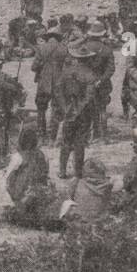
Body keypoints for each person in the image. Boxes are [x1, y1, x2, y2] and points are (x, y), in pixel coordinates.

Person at [55, 43, 98, 179]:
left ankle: (62, 170)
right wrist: (79, 109)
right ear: (88, 59)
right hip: (83, 113)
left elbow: (58, 90)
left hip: (68, 111)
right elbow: (89, 97)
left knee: (66, 141)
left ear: (76, 58)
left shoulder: (66, 72)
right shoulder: (90, 75)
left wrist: (65, 107)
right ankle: (78, 172)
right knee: (80, 142)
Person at [31, 25, 67, 140]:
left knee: (41, 109)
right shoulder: (64, 49)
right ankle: (53, 136)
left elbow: (34, 66)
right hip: (59, 82)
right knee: (56, 108)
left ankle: (41, 134)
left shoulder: (41, 48)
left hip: (44, 82)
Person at [82, 20, 115, 140]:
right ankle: (103, 135)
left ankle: (89, 135)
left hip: (87, 83)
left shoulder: (84, 48)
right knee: (102, 109)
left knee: (87, 109)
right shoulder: (107, 49)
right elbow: (111, 69)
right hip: (103, 83)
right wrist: (101, 80)